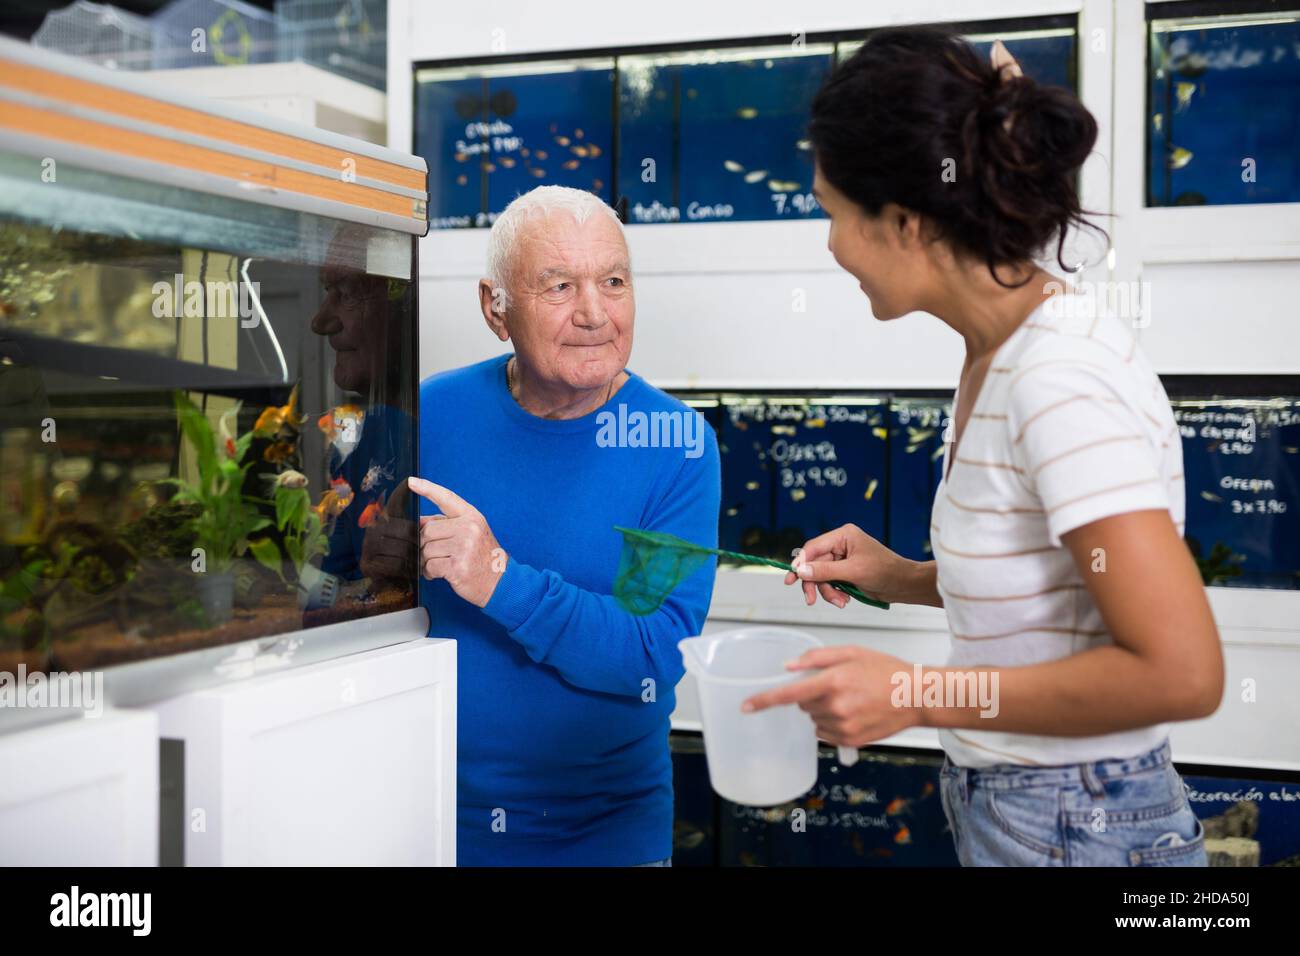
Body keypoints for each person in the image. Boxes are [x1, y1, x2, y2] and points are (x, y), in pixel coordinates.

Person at [744, 29, 1223, 867]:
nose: (829, 246)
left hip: (1082, 825)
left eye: (832, 213)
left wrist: (916, 693)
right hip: (1030, 810)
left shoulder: (1058, 380)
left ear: (905, 220)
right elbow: (1055, 596)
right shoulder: (995, 352)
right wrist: (896, 576)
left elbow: (1182, 672)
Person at [369, 185, 720, 866]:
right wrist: (380, 558)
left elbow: (653, 654)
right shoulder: (432, 411)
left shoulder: (676, 443)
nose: (594, 313)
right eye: (559, 286)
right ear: (493, 308)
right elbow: (362, 590)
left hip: (602, 837)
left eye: (613, 282)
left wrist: (498, 578)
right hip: (427, 816)